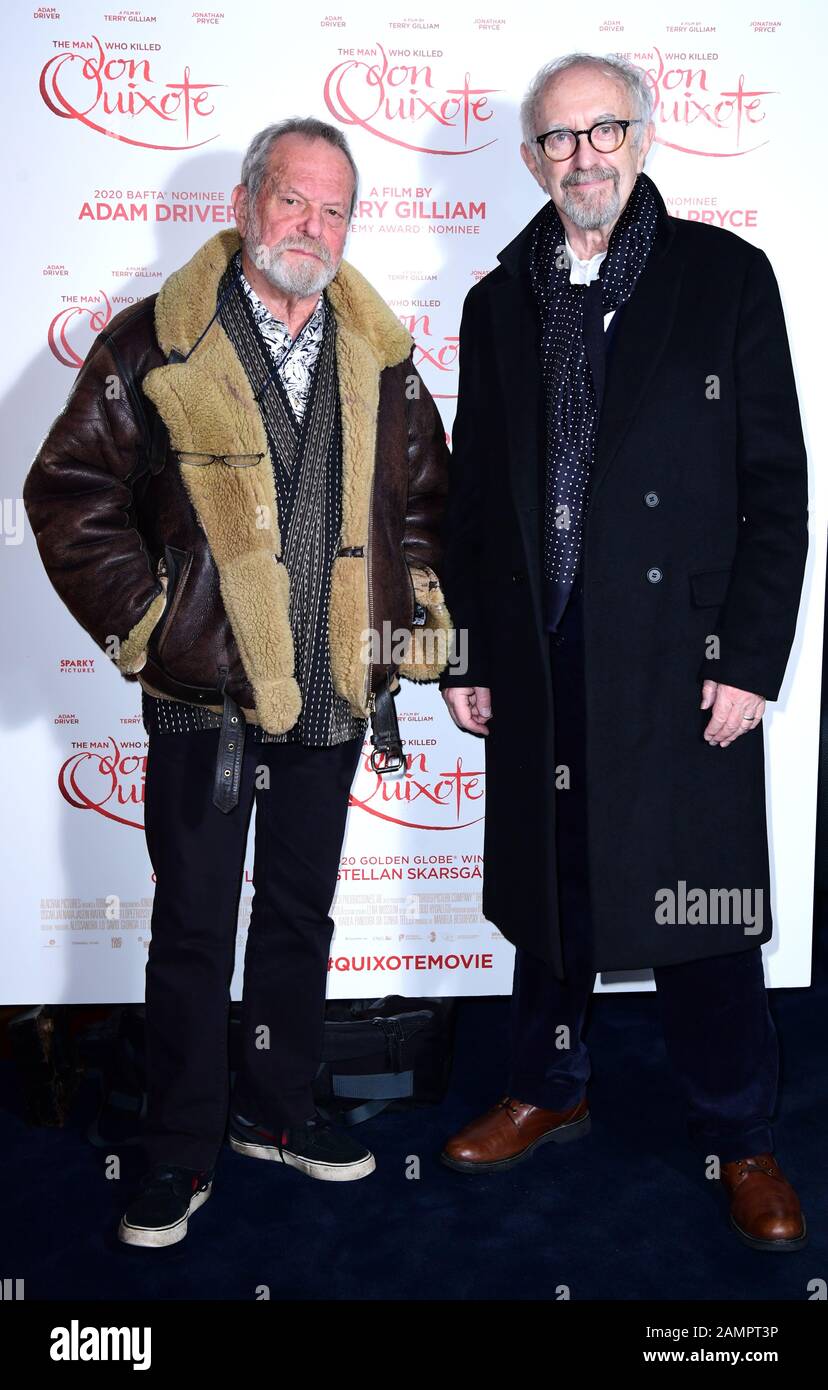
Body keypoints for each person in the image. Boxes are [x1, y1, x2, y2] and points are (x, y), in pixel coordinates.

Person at [23, 116, 453, 1247]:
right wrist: (151, 622)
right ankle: (176, 1147)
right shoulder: (156, 344)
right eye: (292, 200)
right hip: (203, 700)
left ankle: (276, 1109)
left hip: (335, 694)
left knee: (300, 916)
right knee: (194, 926)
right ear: (247, 202)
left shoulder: (382, 354)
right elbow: (67, 489)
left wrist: (415, 626)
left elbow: (424, 511)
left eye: (333, 207)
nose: (311, 225)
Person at [437, 52, 809, 1252]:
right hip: (543, 646)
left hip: (679, 652)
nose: (583, 155)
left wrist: (751, 659)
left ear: (642, 139)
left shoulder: (725, 278)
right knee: (553, 894)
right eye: (559, 137)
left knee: (700, 904)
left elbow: (777, 489)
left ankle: (741, 1131)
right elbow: (473, 501)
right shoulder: (498, 301)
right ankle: (549, 1085)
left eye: (604, 130)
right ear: (533, 158)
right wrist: (467, 651)